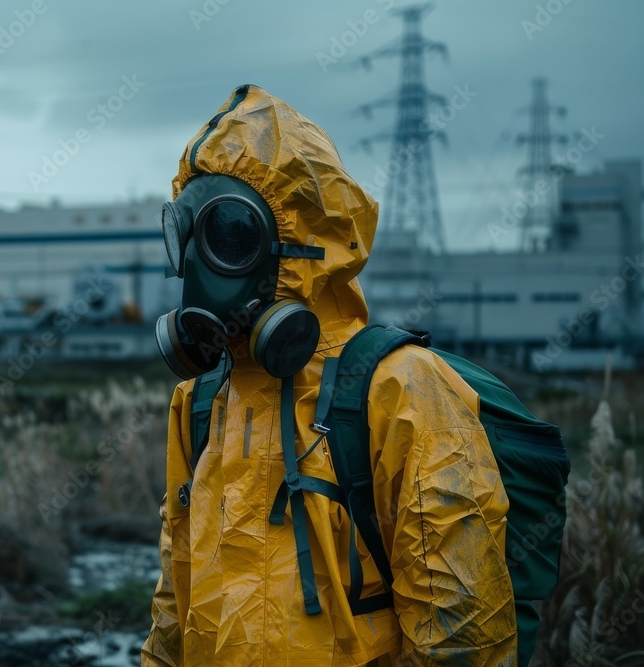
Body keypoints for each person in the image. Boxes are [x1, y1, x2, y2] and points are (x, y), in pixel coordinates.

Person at [141, 85, 517, 666]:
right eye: (184, 237)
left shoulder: (401, 391)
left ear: (298, 246)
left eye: (228, 237)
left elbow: (462, 631)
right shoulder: (201, 404)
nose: (195, 267)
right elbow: (173, 611)